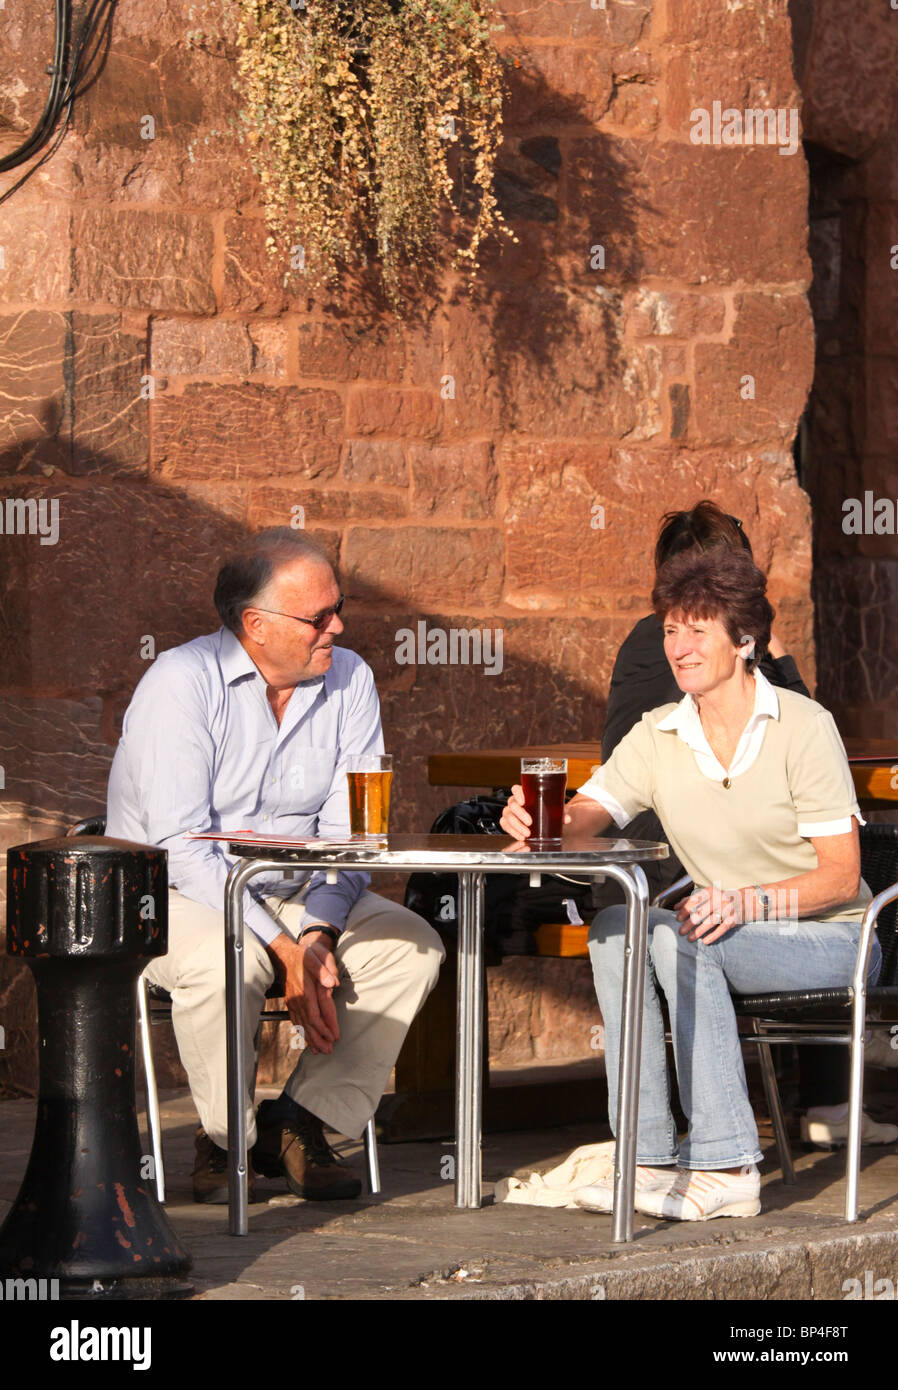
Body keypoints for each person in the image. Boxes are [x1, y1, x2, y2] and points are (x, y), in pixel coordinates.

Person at [501, 545, 880, 1221]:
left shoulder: (803, 727)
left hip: (831, 936)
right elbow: (595, 811)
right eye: (671, 628)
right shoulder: (660, 733)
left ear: (743, 639)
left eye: (697, 629)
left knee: (683, 940)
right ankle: (646, 1158)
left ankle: (729, 1164)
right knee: (619, 926)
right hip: (721, 929)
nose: (678, 645)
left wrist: (748, 902)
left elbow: (841, 876)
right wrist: (546, 821)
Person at [106, 528, 445, 1204]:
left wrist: (316, 936)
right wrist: (287, 950)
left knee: (410, 947)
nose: (338, 626)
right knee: (234, 958)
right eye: (319, 616)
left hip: (296, 888)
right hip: (170, 891)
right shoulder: (181, 682)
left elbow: (353, 834)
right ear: (255, 626)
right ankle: (224, 1138)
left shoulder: (351, 678)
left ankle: (298, 1121)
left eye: (338, 607)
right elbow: (181, 844)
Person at [599, 501, 898, 1149]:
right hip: (674, 867)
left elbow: (802, 737)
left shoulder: (776, 709)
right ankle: (659, 1149)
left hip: (723, 884)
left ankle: (722, 1151)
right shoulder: (677, 665)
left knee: (745, 887)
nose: (680, 641)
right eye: (674, 625)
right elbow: (610, 786)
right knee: (652, 927)